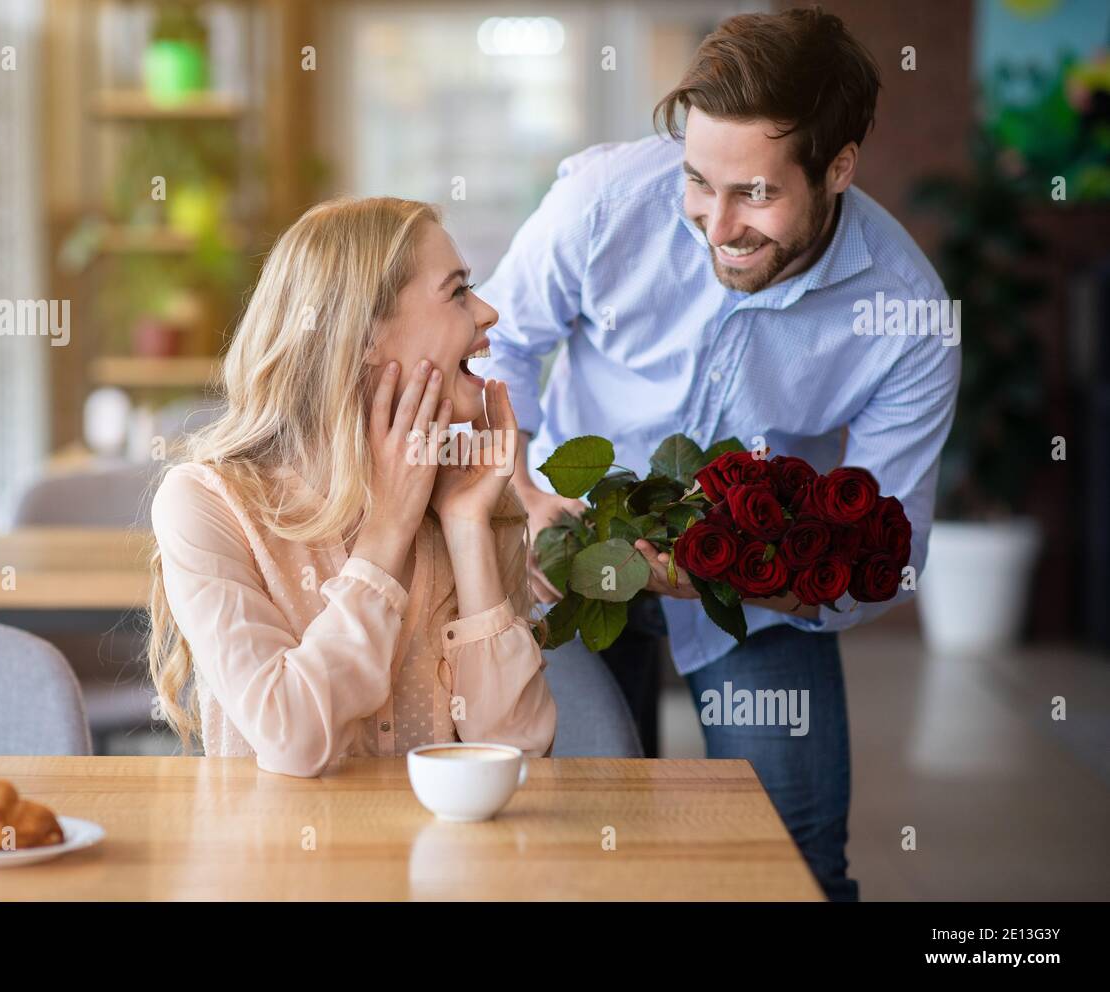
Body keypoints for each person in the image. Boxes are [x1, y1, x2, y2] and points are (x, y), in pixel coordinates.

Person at [476, 8, 961, 901]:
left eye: (757, 195)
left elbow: (888, 552)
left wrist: (723, 575)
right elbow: (493, 346)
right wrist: (525, 494)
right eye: (701, 181)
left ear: (838, 168)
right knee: (574, 845)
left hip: (758, 597)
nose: (717, 225)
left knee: (797, 862)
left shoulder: (908, 317)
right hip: (565, 559)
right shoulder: (607, 200)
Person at [147, 196, 556, 777]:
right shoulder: (207, 505)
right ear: (363, 333)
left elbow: (519, 754)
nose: (487, 313)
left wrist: (468, 531)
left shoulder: (471, 491)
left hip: (442, 864)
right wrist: (388, 531)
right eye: (458, 291)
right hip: (278, 864)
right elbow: (294, 740)